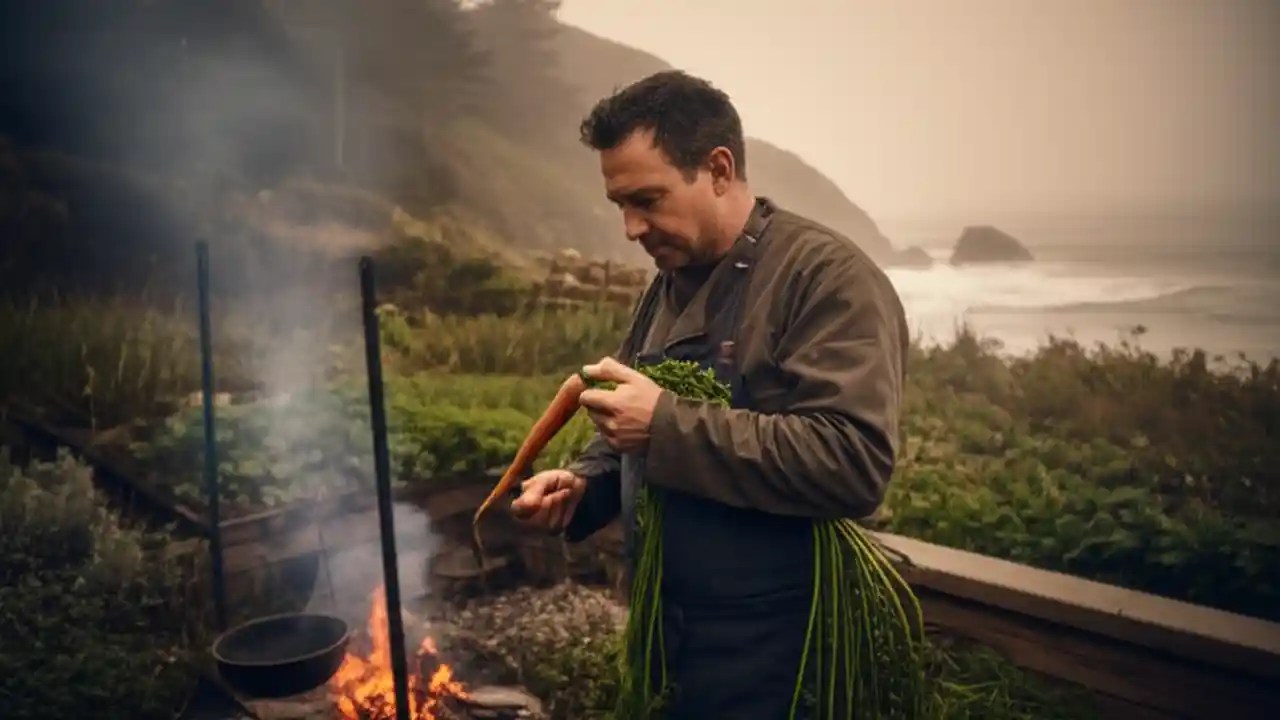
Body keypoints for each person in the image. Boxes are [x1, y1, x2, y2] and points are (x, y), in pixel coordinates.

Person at [508, 70, 910, 719]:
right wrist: (586, 484)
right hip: (668, 633)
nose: (632, 229)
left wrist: (665, 426)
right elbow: (632, 430)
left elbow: (852, 460)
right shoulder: (669, 285)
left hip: (780, 656)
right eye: (621, 206)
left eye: (648, 199)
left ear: (719, 169)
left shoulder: (826, 280)